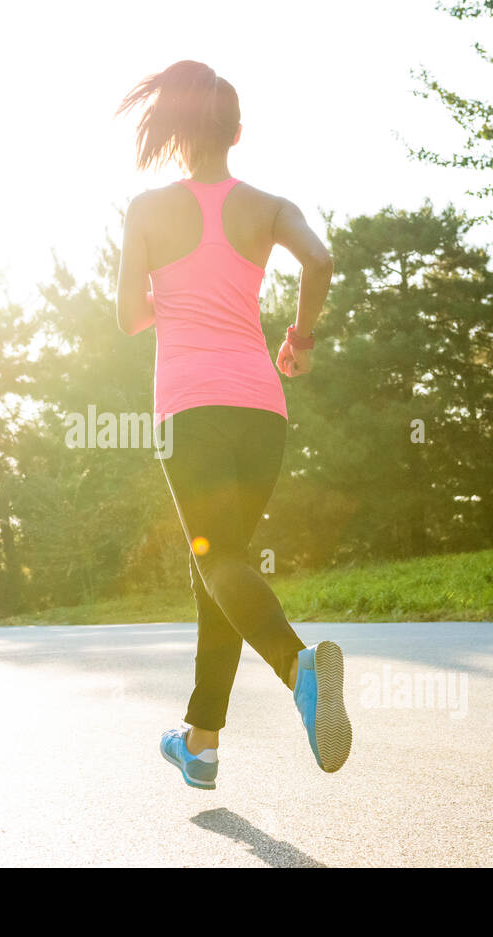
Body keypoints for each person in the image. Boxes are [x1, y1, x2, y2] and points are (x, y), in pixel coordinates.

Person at [114, 60, 352, 790]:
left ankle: (296, 666)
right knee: (221, 566)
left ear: (178, 136)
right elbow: (321, 258)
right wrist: (299, 339)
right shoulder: (269, 205)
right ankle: (202, 741)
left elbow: (127, 316)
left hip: (191, 408)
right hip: (262, 409)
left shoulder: (148, 211)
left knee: (218, 562)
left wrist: (168, 302)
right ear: (238, 133)